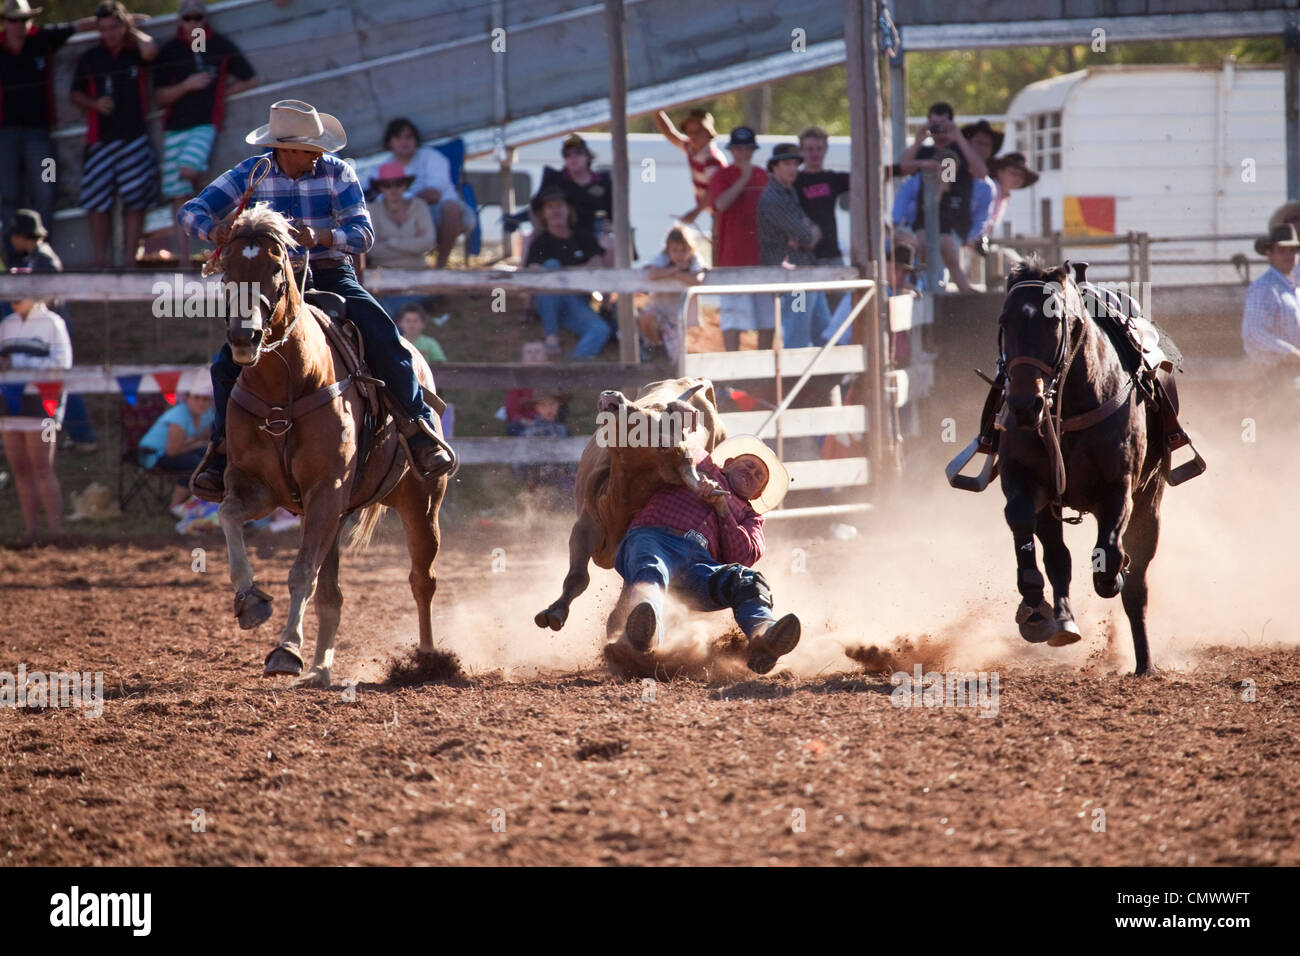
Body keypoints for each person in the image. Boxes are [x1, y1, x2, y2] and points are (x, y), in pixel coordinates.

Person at [178, 99, 456, 500]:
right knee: (226, 363)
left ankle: (417, 429)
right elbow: (192, 210)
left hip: (328, 273)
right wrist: (214, 230)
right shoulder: (250, 174)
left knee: (382, 334)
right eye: (310, 150)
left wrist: (323, 237)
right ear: (286, 149)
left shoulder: (337, 173)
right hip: (268, 284)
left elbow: (363, 233)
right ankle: (222, 451)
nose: (317, 157)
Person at [608, 434, 801, 676]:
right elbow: (674, 442)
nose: (752, 473)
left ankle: (765, 639)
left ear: (756, 495)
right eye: (748, 465)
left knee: (748, 580)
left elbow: (744, 555)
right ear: (728, 462)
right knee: (651, 567)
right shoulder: (702, 464)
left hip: (699, 566)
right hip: (653, 537)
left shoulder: (751, 517)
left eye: (758, 476)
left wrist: (723, 512)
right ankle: (646, 632)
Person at [0, 0, 106, 261]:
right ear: (5, 22)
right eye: (14, 20)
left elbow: (78, 27)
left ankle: (41, 255)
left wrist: (123, 19)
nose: (20, 25)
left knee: (46, 191)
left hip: (41, 135)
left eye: (24, 19)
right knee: (8, 195)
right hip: (4, 136)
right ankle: (13, 257)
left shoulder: (43, 39)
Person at [153, 0, 257, 264]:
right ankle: (186, 260)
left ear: (205, 19)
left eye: (197, 17)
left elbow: (250, 79)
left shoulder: (219, 45)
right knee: (178, 194)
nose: (192, 23)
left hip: (205, 124)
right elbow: (159, 97)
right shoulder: (170, 51)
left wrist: (220, 94)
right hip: (174, 128)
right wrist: (187, 86)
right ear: (179, 21)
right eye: (187, 18)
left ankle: (208, 200)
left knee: (188, 171)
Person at [69, 1, 159, 268]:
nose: (109, 33)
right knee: (97, 203)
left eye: (115, 26)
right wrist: (95, 104)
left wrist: (131, 27)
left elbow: (151, 50)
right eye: (104, 28)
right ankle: (101, 262)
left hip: (135, 137)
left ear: (123, 25)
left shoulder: (135, 52)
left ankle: (130, 260)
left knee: (135, 202)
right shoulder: (91, 57)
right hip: (100, 140)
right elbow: (74, 94)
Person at [897, 102, 989, 293]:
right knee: (928, 257)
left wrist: (958, 137)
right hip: (927, 219)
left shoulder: (959, 152)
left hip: (952, 222)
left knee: (949, 258)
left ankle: (954, 296)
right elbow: (902, 167)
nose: (938, 129)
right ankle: (930, 293)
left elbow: (981, 172)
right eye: (934, 124)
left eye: (943, 124)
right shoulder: (925, 151)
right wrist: (919, 143)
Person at [0, 294, 71, 538]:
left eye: (20, 294)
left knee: (42, 466)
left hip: (43, 404)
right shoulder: (7, 324)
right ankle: (30, 530)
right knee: (19, 467)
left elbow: (62, 363)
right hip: (9, 404)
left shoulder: (53, 323)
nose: (13, 300)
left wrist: (18, 363)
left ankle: (55, 531)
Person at [367, 117, 475, 268]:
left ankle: (440, 267)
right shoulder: (382, 166)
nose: (404, 142)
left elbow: (434, 194)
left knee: (451, 208)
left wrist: (391, 243)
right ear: (389, 141)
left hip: (434, 211)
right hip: (396, 215)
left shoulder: (432, 157)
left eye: (408, 137)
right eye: (398, 137)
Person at [524, 185, 613, 359]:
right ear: (543, 213)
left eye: (559, 205)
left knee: (600, 329)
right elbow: (534, 272)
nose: (555, 211)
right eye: (550, 207)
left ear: (568, 209)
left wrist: (561, 274)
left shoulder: (583, 237)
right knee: (551, 266)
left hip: (577, 300)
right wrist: (575, 272)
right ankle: (551, 337)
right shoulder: (540, 242)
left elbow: (596, 265)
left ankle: (572, 367)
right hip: (548, 300)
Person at [757, 142, 829, 349]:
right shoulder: (773, 197)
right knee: (797, 334)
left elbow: (809, 233)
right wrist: (806, 235)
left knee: (824, 331)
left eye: (795, 164)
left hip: (804, 273)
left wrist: (806, 235)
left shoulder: (789, 192)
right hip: (790, 278)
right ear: (774, 167)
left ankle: (824, 379)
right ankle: (792, 380)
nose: (792, 168)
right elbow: (806, 235)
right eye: (786, 163)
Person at [708, 126, 770, 351]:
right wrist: (743, 179)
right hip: (732, 258)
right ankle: (732, 371)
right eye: (739, 148)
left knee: (767, 318)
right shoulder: (721, 175)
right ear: (732, 150)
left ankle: (764, 373)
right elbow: (720, 204)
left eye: (748, 149)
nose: (744, 153)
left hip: (762, 258)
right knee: (733, 319)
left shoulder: (763, 174)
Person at [137, 369, 214, 510]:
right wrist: (196, 444)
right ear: (187, 398)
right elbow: (172, 451)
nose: (201, 403)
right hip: (154, 455)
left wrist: (197, 443)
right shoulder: (179, 417)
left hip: (180, 449)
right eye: (196, 398)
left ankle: (206, 501)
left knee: (211, 456)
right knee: (197, 464)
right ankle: (175, 505)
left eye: (205, 399)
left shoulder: (207, 414)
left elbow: (205, 438)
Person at [637, 225, 705, 362]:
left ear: (690, 249)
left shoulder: (695, 259)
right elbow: (652, 274)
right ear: (668, 250)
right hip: (659, 312)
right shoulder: (662, 258)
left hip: (680, 317)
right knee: (645, 318)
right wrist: (677, 270)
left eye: (683, 250)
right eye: (675, 250)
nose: (679, 255)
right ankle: (657, 350)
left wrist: (671, 273)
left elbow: (697, 279)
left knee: (679, 360)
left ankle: (666, 362)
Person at [654, 107, 727, 225]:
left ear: (708, 132)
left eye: (697, 132)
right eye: (689, 132)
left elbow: (713, 189)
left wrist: (694, 213)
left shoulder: (712, 159)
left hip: (723, 211)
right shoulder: (692, 149)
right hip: (716, 212)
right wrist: (656, 112)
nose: (693, 136)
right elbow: (670, 134)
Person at [1241, 224, 1300, 369]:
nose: (1289, 256)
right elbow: (1252, 332)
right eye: (1282, 251)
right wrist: (1290, 353)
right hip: (1272, 372)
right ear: (1270, 253)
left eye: (1293, 250)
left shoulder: (1295, 289)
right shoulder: (1264, 287)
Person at [794, 126, 849, 264]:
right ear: (801, 151)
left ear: (826, 150)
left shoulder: (832, 178)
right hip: (806, 255)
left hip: (832, 253)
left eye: (819, 148)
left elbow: (867, 176)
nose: (815, 154)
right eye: (810, 149)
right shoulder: (794, 181)